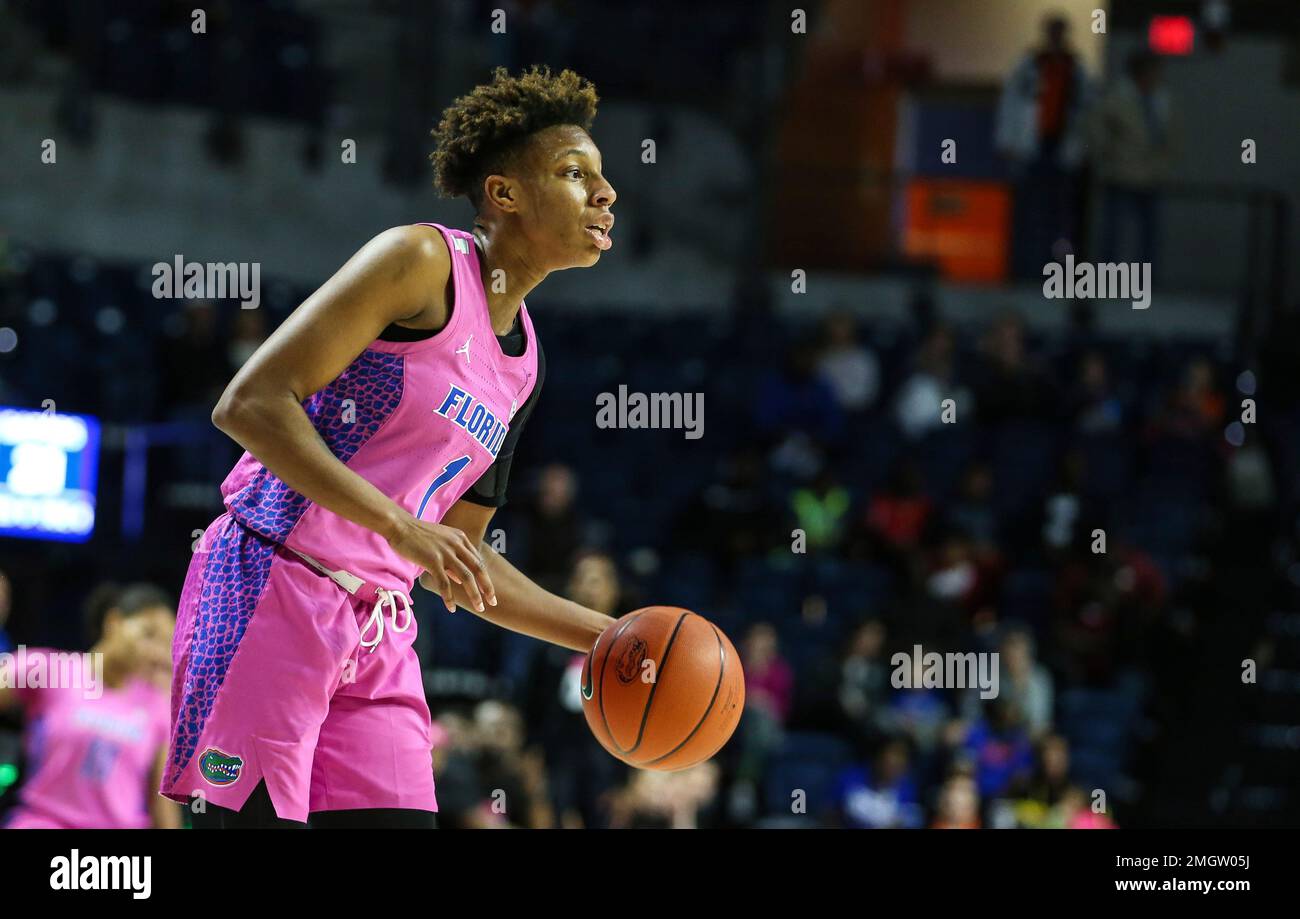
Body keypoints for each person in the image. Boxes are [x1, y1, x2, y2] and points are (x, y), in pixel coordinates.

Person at [160, 66, 619, 828]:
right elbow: (248, 403)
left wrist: (608, 636)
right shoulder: (420, 261)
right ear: (504, 193)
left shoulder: (526, 364)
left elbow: (461, 561)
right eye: (577, 174)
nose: (605, 194)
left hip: (378, 631)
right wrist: (402, 527)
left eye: (604, 179)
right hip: (272, 586)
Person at [0, 584, 178, 829]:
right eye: (148, 634)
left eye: (164, 643)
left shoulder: (158, 704)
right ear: (113, 621)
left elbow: (162, 805)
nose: (154, 651)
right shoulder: (50, 669)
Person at [996, 13, 1092, 277]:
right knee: (1028, 212)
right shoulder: (1029, 65)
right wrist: (1007, 141)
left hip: (1061, 149)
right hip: (1031, 147)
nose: (1056, 38)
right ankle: (1023, 270)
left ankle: (1058, 273)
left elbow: (1085, 115)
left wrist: (1081, 150)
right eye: (1052, 32)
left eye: (1060, 32)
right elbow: (1011, 104)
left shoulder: (1076, 69)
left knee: (1060, 215)